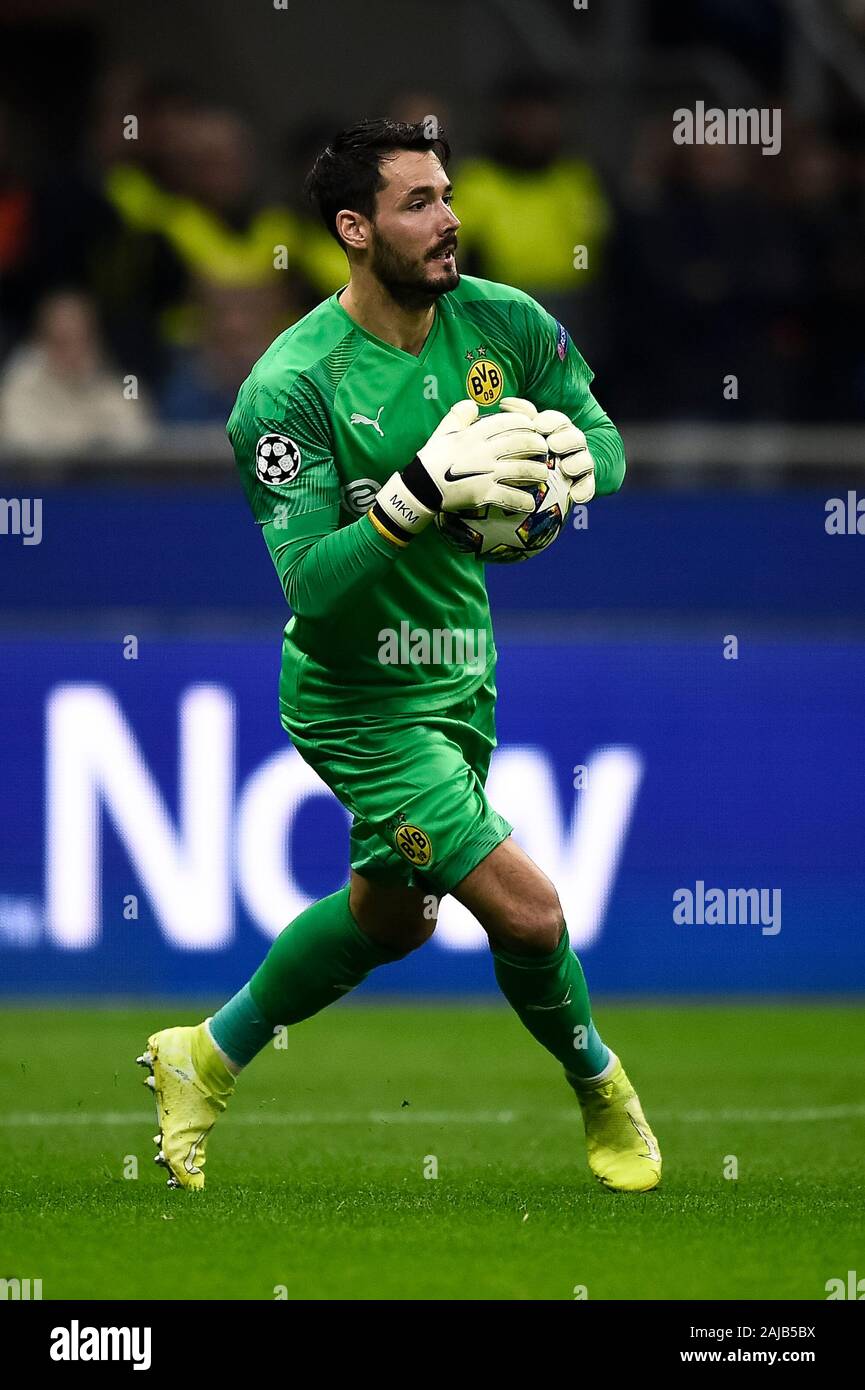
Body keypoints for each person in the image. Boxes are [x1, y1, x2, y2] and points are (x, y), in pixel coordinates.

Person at [137, 118, 661, 1196]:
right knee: (528, 911)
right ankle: (603, 1087)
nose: (448, 218)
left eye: (447, 194)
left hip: (459, 674)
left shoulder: (502, 322)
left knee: (392, 918)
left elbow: (599, 433)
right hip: (353, 697)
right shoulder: (288, 390)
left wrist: (575, 474)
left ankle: (205, 1053)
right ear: (353, 230)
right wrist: (415, 498)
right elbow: (309, 588)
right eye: (417, 201)